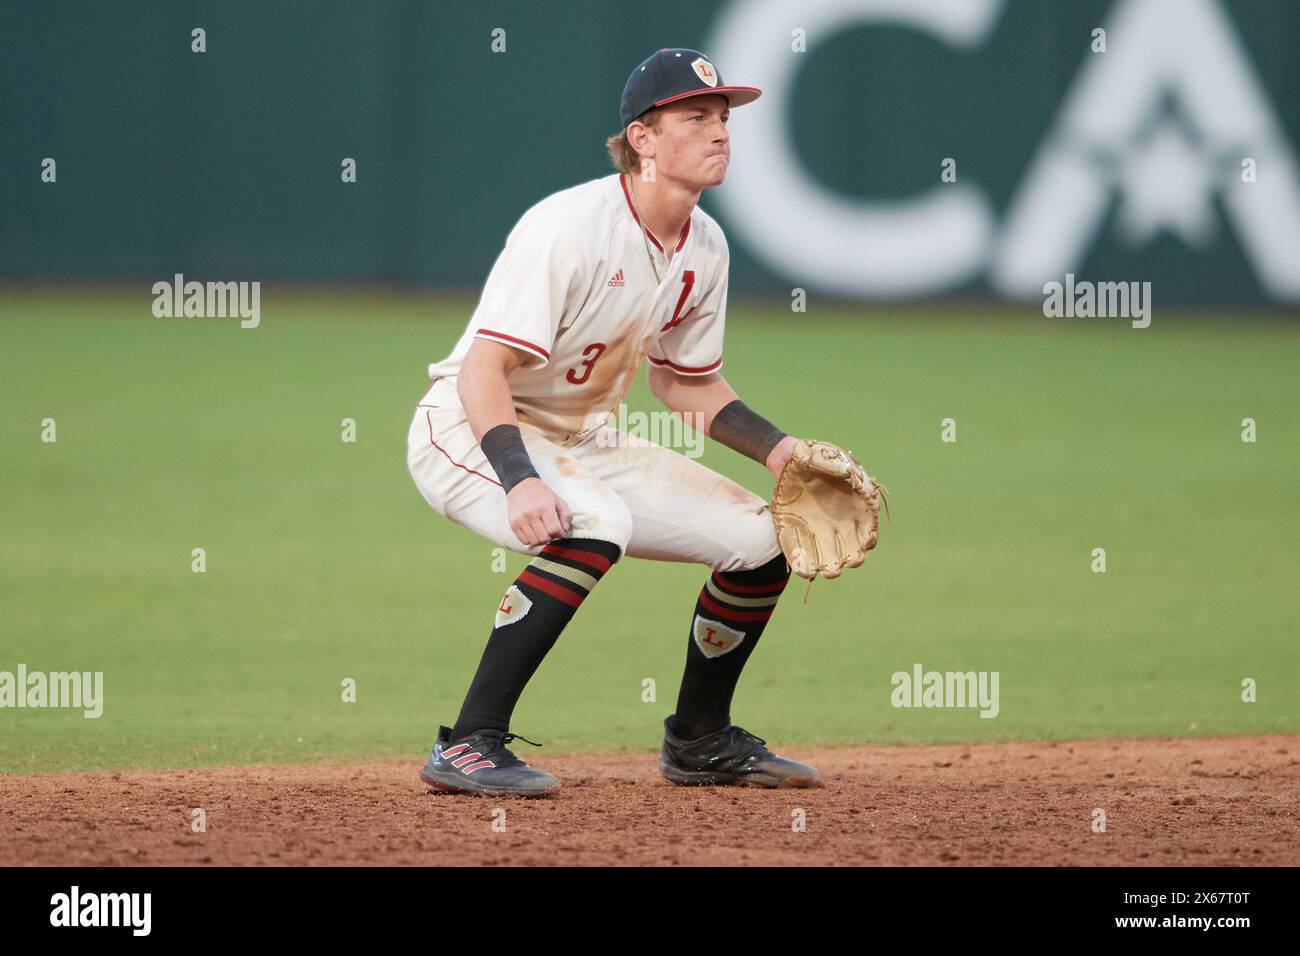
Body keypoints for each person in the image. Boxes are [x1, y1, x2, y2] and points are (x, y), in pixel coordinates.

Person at [406, 48, 822, 796]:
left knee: (762, 541)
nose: (719, 133)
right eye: (695, 118)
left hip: (581, 435)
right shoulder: (570, 227)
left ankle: (700, 740)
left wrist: (783, 453)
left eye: (723, 118)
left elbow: (683, 383)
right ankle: (467, 743)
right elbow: (481, 370)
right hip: (469, 427)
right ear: (644, 138)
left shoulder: (706, 245)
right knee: (592, 521)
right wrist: (521, 481)